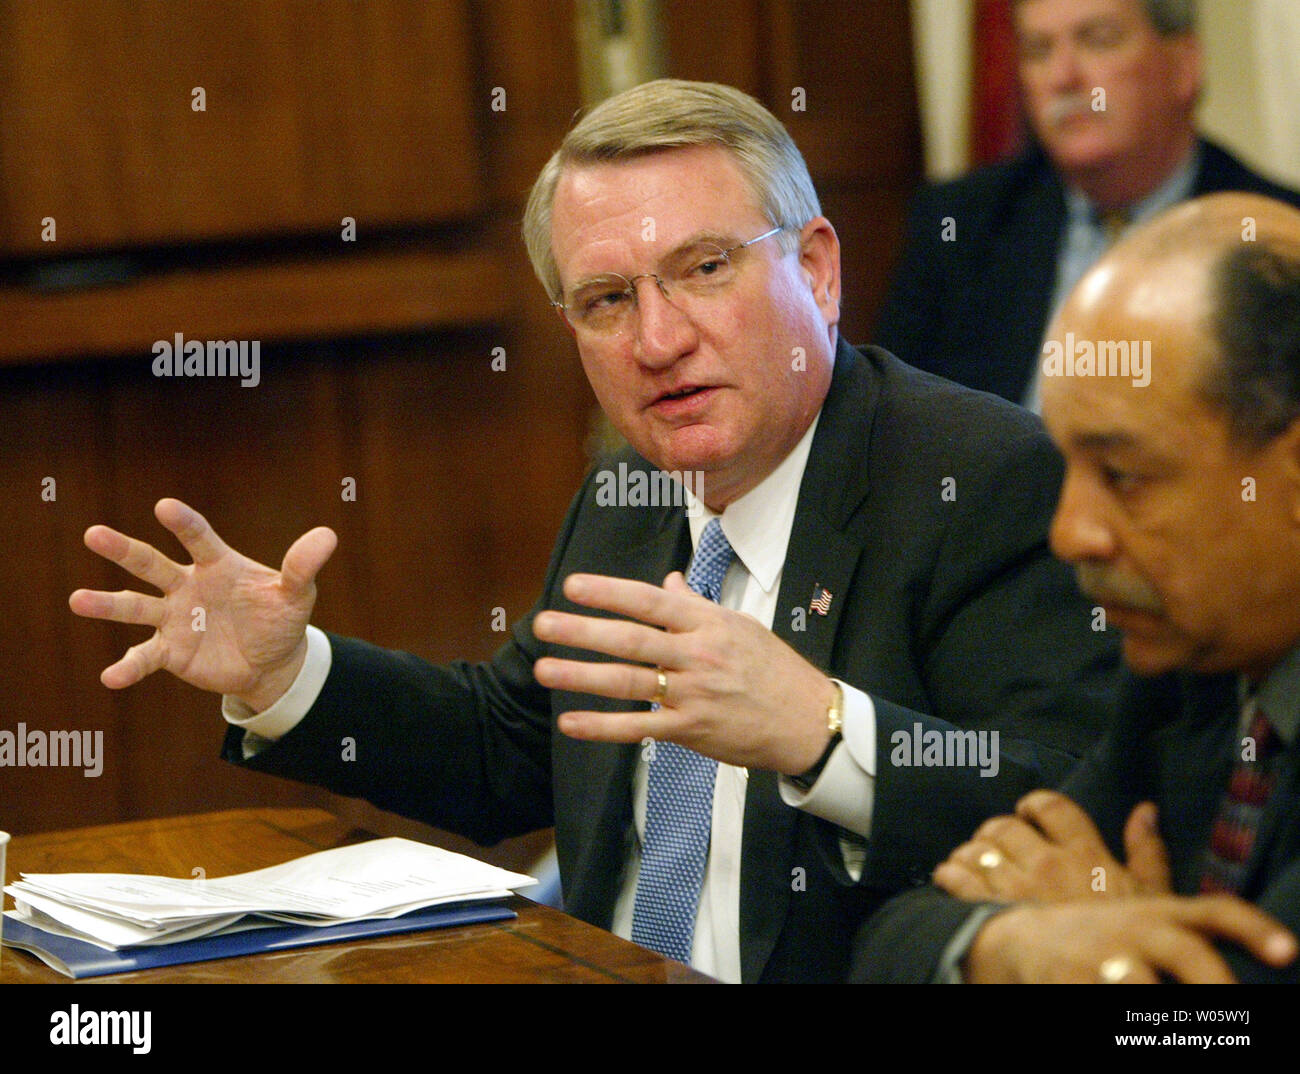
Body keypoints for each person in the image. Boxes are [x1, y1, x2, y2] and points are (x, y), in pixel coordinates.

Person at [68, 80, 1118, 983]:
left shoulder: (975, 478)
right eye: (607, 300)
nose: (657, 340)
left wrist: (822, 730)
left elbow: (1074, 814)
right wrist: (290, 672)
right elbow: (513, 750)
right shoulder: (634, 491)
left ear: (816, 269)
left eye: (705, 268)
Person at [852, 192, 1300, 984]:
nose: (1068, 534)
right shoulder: (1191, 671)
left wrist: (1112, 965)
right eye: (1068, 468)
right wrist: (1017, 945)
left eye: (1122, 475)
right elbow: (897, 940)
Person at [874, 0, 1300, 407]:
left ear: (1184, 64)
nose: (1063, 77)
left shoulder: (1276, 236)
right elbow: (894, 424)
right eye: (1039, 50)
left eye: (1098, 39)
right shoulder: (959, 222)